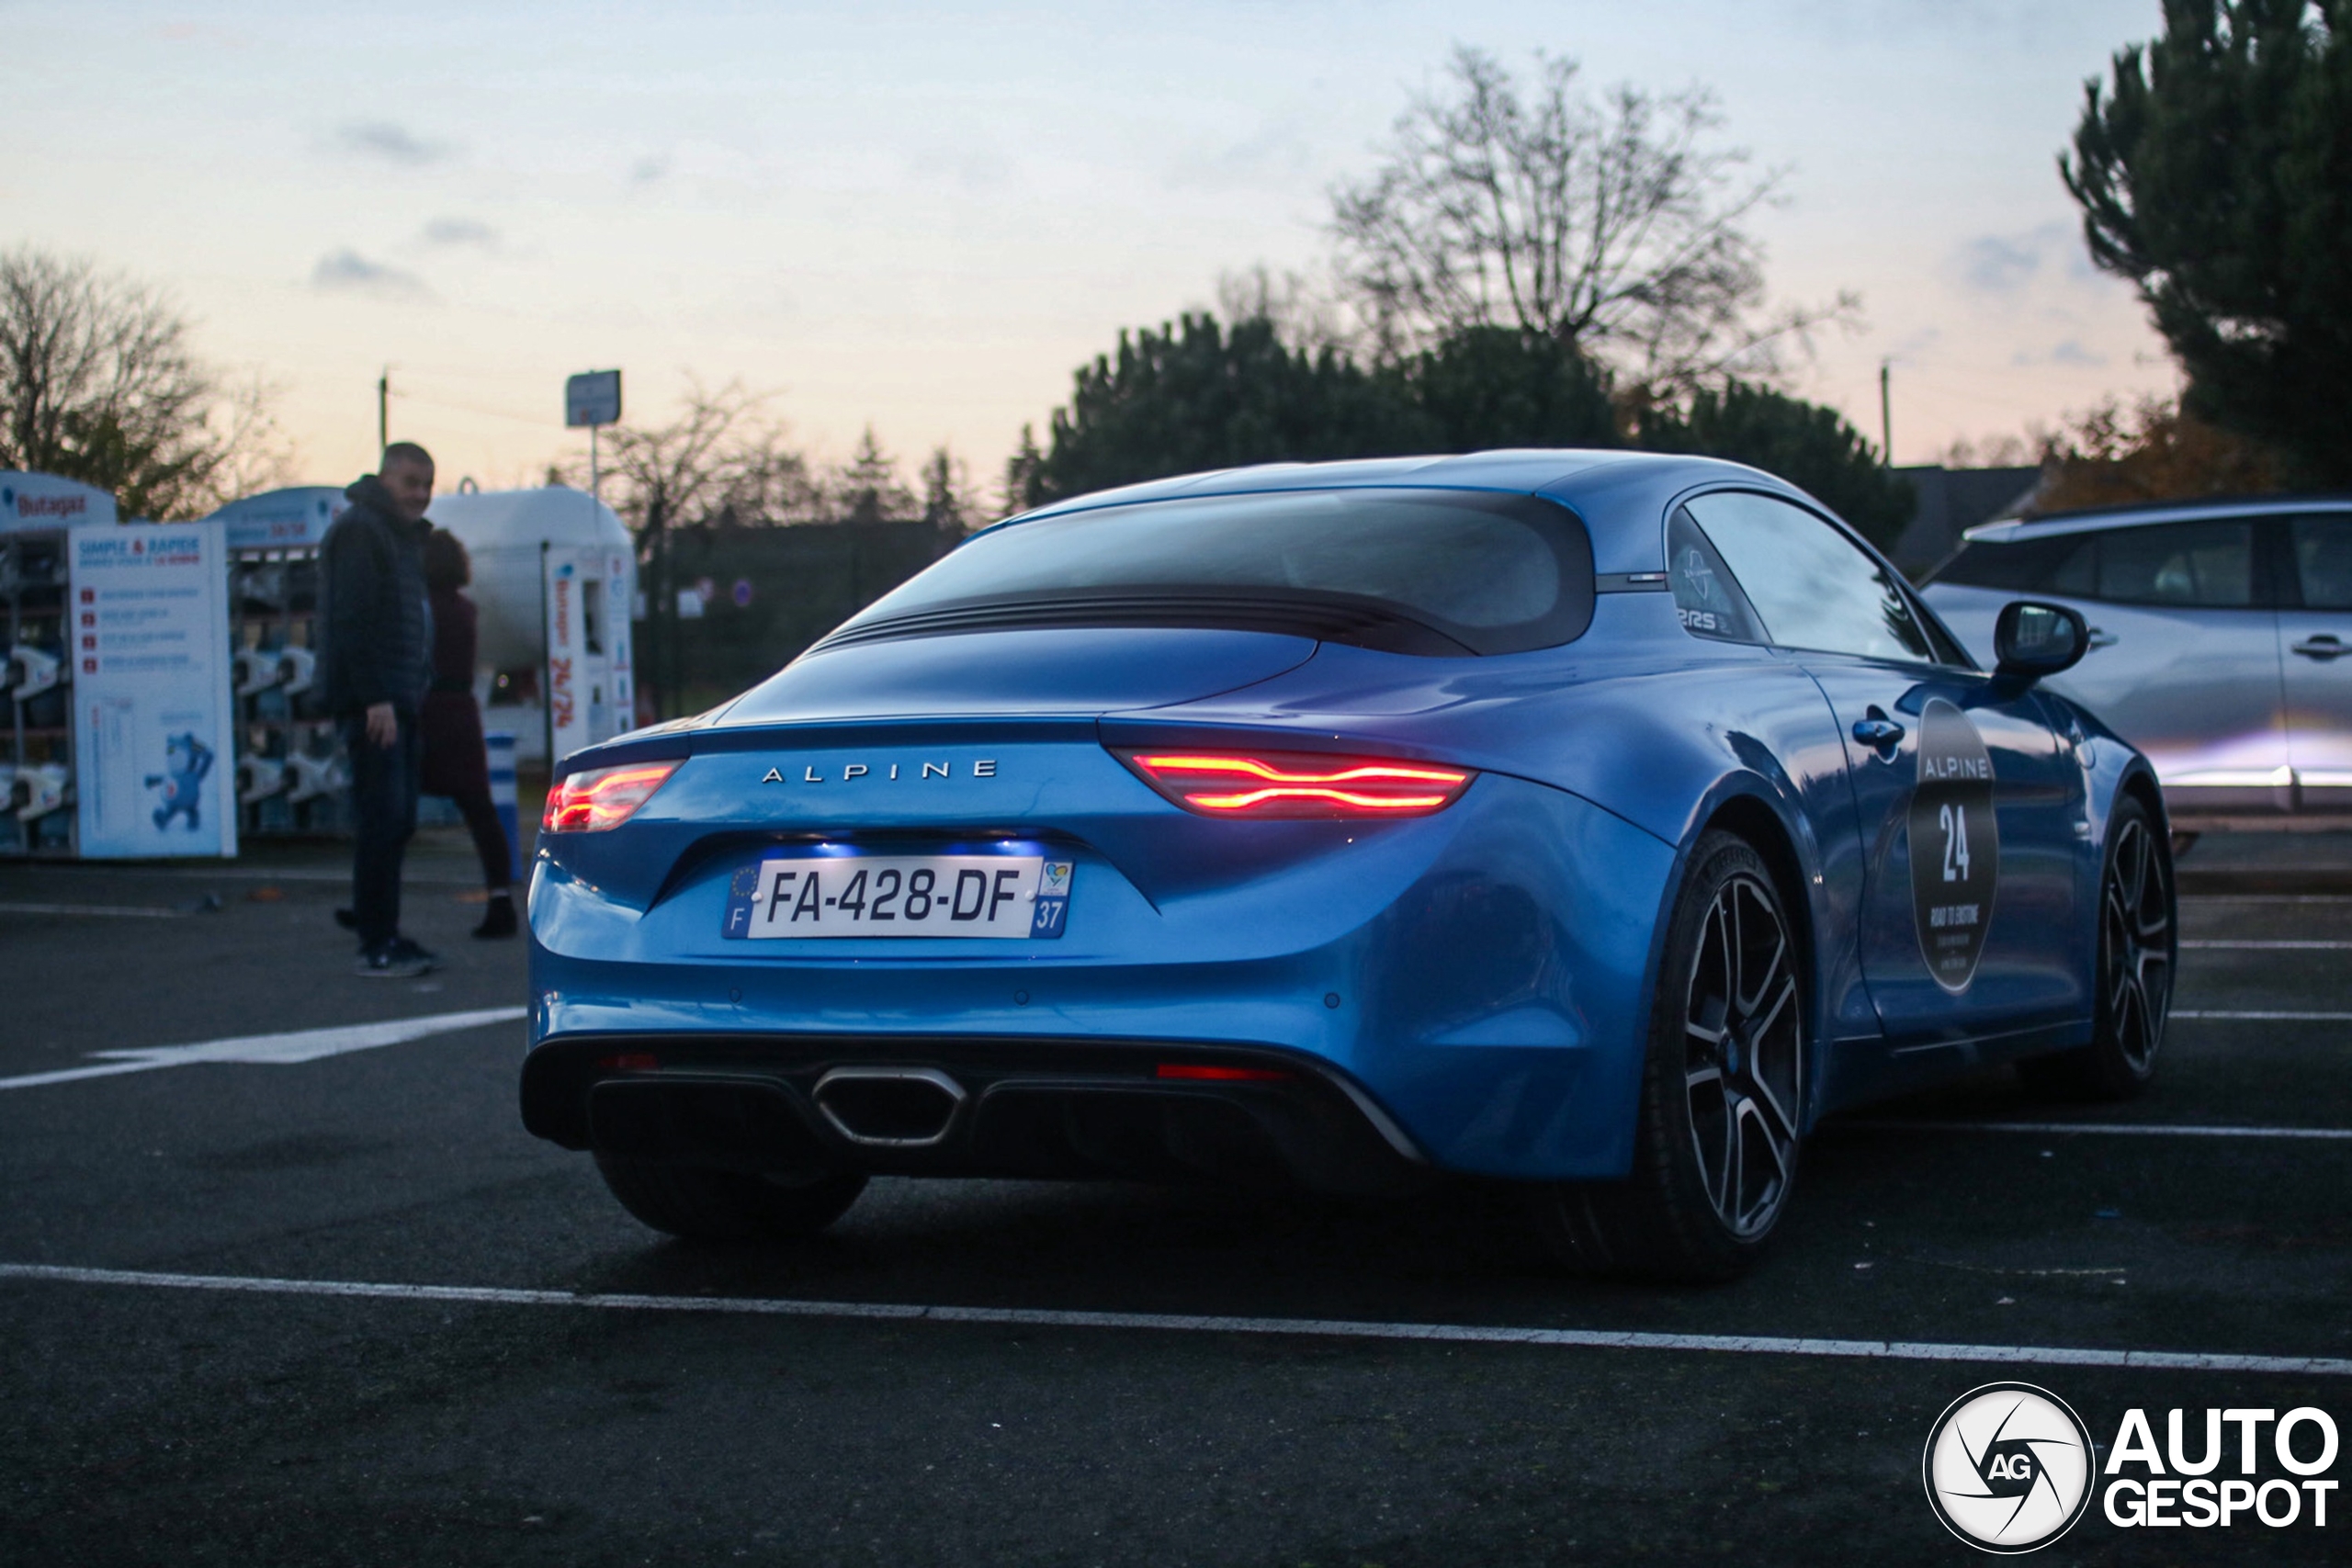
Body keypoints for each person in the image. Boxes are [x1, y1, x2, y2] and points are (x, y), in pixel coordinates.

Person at [321, 443, 440, 977]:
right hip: (379, 704)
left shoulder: (395, 536)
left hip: (398, 699)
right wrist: (376, 697)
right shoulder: (363, 530)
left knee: (396, 821)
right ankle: (377, 942)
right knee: (383, 819)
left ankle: (378, 925)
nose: (420, 494)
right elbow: (354, 620)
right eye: (411, 481)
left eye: (427, 484)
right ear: (386, 478)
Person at [418, 528, 516, 937]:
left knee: (390, 809)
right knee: (480, 810)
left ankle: (372, 905)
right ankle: (500, 898)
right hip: (462, 711)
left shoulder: (422, 609)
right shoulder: (467, 610)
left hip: (426, 710)